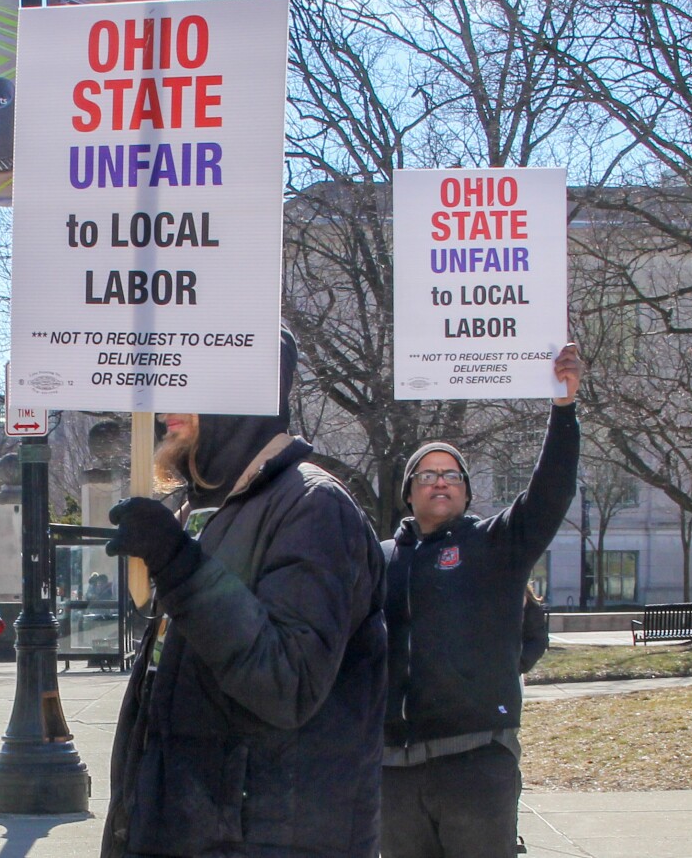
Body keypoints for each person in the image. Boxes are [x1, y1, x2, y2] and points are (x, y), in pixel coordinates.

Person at [101, 329, 388, 858]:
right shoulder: (210, 514)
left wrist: (180, 566)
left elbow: (287, 682)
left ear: (241, 393)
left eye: (187, 378)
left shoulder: (313, 507)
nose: (166, 403)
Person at [379, 344, 584, 858]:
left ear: (468, 493)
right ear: (410, 492)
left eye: (452, 475)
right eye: (427, 475)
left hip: (475, 762)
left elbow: (551, 492)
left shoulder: (497, 546)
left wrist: (563, 411)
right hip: (392, 772)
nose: (440, 481)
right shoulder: (377, 559)